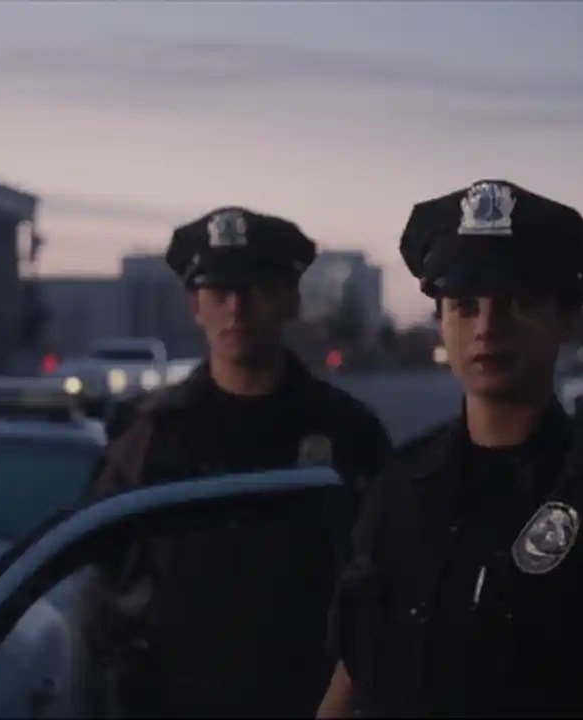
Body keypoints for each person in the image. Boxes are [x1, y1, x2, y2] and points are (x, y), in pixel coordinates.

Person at [318, 180, 583, 718]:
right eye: (463, 305)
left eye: (516, 303)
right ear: (441, 323)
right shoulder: (398, 487)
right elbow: (351, 677)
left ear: (564, 320)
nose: (486, 327)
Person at [78, 206, 392, 717]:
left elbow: (388, 585)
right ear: (195, 306)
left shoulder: (348, 433)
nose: (236, 309)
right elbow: (103, 583)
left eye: (257, 289)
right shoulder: (149, 435)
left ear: (289, 302)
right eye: (219, 292)